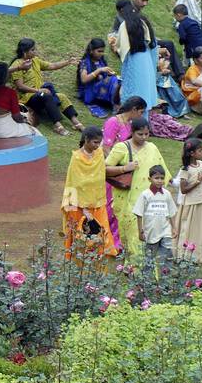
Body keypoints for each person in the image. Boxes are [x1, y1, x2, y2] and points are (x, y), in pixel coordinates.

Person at [106, 116, 168, 261]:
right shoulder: (122, 147)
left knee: (150, 238)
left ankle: (144, 272)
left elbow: (162, 172)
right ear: (132, 132)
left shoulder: (152, 147)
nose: (144, 137)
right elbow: (104, 169)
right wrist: (124, 168)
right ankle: (137, 272)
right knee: (134, 237)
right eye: (140, 134)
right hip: (129, 202)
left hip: (150, 201)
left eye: (147, 134)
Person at [61, 126, 117, 259]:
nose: (98, 145)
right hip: (78, 205)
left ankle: (98, 267)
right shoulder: (76, 158)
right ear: (86, 140)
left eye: (99, 142)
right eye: (95, 142)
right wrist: (83, 208)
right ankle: (78, 267)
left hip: (98, 203)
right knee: (80, 237)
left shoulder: (98, 154)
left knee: (101, 234)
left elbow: (100, 176)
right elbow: (74, 184)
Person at [9, 39, 83, 135]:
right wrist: (38, 90)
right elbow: (20, 86)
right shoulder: (17, 65)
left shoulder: (35, 61)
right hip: (27, 98)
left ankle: (76, 123)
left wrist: (68, 62)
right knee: (46, 95)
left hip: (40, 94)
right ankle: (58, 126)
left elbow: (52, 66)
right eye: (33, 50)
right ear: (24, 52)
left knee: (62, 97)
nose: (35, 51)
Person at [102, 96, 147, 250]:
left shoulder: (129, 124)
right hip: (112, 171)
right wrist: (117, 167)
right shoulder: (113, 122)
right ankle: (108, 240)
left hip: (125, 171)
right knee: (110, 206)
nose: (141, 116)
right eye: (141, 112)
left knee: (121, 206)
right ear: (134, 109)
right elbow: (106, 147)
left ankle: (118, 241)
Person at [173, 137, 202, 263]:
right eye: (200, 151)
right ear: (192, 153)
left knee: (201, 227)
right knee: (189, 229)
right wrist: (197, 182)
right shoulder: (185, 170)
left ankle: (200, 250)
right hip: (191, 203)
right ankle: (185, 253)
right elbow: (183, 189)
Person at [116, 0, 159, 111]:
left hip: (134, 59)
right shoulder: (143, 20)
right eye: (143, 0)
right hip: (147, 59)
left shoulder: (125, 24)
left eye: (147, 1)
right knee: (144, 91)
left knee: (133, 91)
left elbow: (122, 47)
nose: (145, 4)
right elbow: (153, 43)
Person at [133, 164, 177, 279]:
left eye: (162, 178)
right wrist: (140, 231)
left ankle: (165, 283)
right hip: (151, 232)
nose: (159, 181)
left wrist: (174, 228)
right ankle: (147, 283)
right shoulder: (145, 195)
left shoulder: (167, 194)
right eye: (156, 178)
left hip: (165, 231)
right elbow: (139, 213)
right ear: (150, 179)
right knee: (149, 260)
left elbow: (171, 212)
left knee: (167, 258)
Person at [76, 38, 121, 119]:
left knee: (118, 80)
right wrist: (99, 70)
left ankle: (117, 104)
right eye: (99, 51)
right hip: (89, 91)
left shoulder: (101, 61)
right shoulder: (84, 62)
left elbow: (103, 77)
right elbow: (84, 80)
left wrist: (108, 73)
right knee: (113, 80)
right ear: (91, 51)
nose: (101, 54)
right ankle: (116, 106)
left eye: (102, 51)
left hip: (100, 88)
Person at [0, 61, 37, 138]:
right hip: (3, 129)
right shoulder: (10, 92)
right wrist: (25, 121)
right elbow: (16, 117)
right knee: (34, 132)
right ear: (6, 76)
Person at [154, 45, 189, 120]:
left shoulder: (163, 57)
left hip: (166, 79)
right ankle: (168, 114)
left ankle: (182, 112)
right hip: (157, 82)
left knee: (178, 95)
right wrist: (160, 73)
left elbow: (166, 62)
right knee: (163, 98)